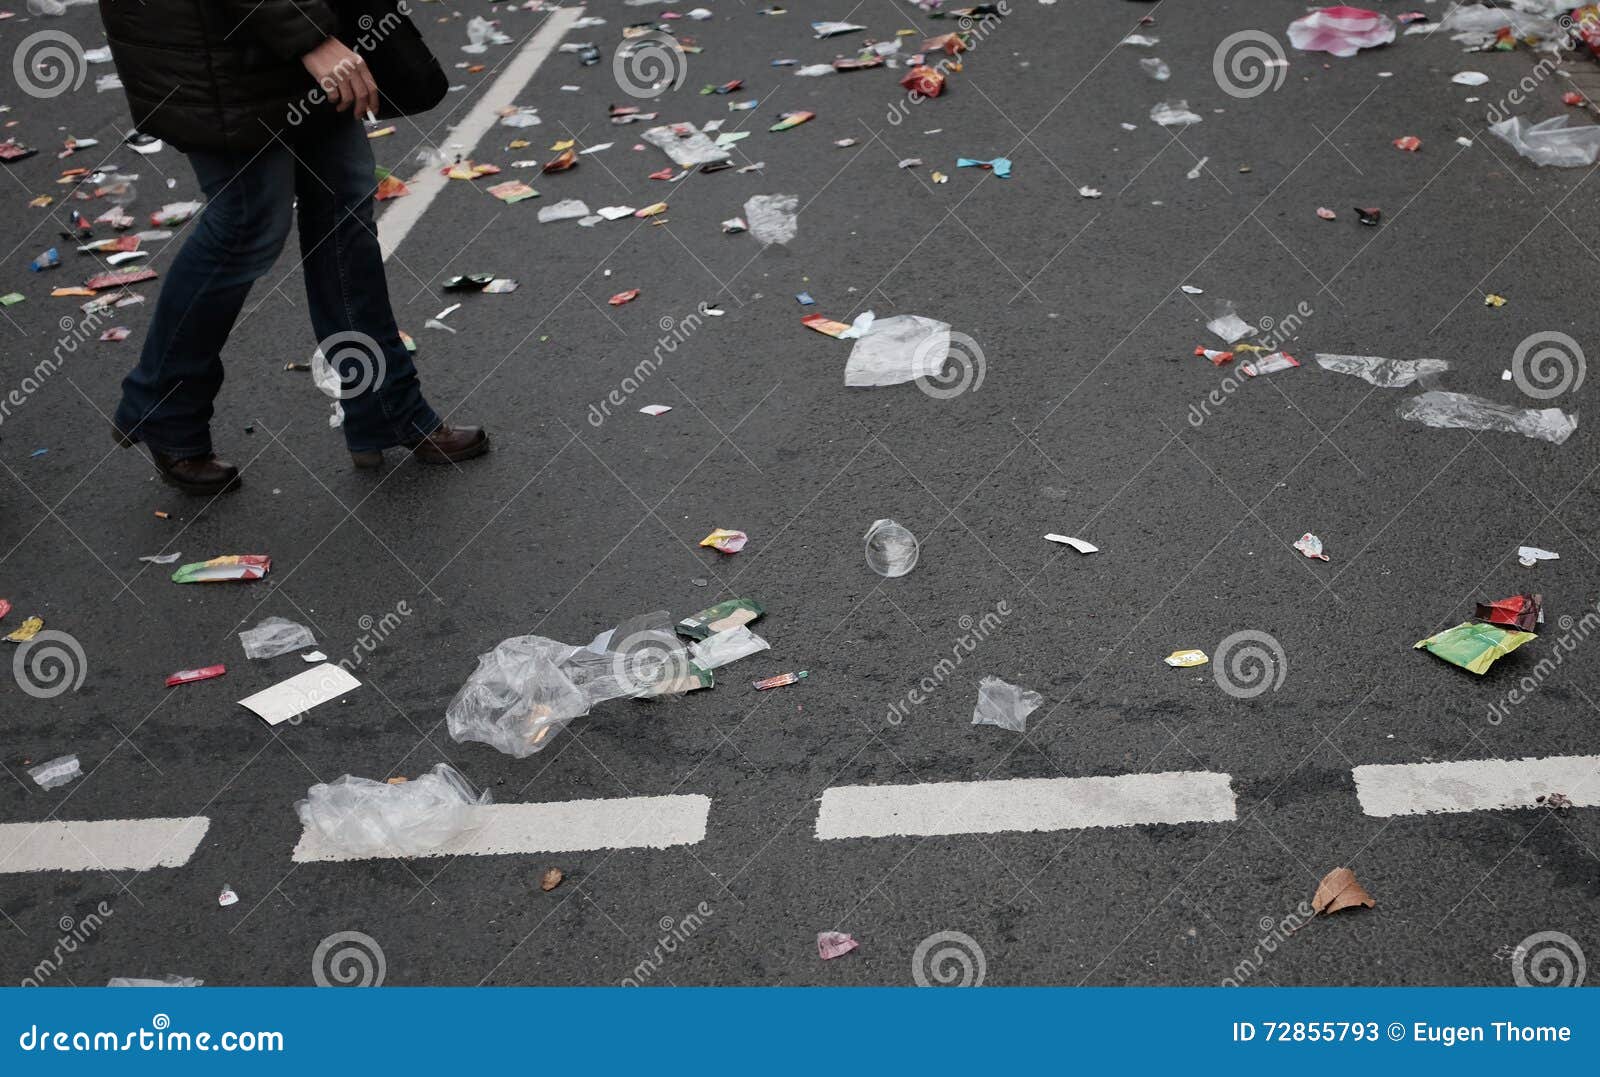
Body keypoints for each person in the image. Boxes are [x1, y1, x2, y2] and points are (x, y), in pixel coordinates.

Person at [99, 0, 488, 495]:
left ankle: (388, 407)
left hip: (293, 32)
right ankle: (163, 406)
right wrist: (311, 37)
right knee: (246, 222)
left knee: (343, 202)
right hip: (213, 42)